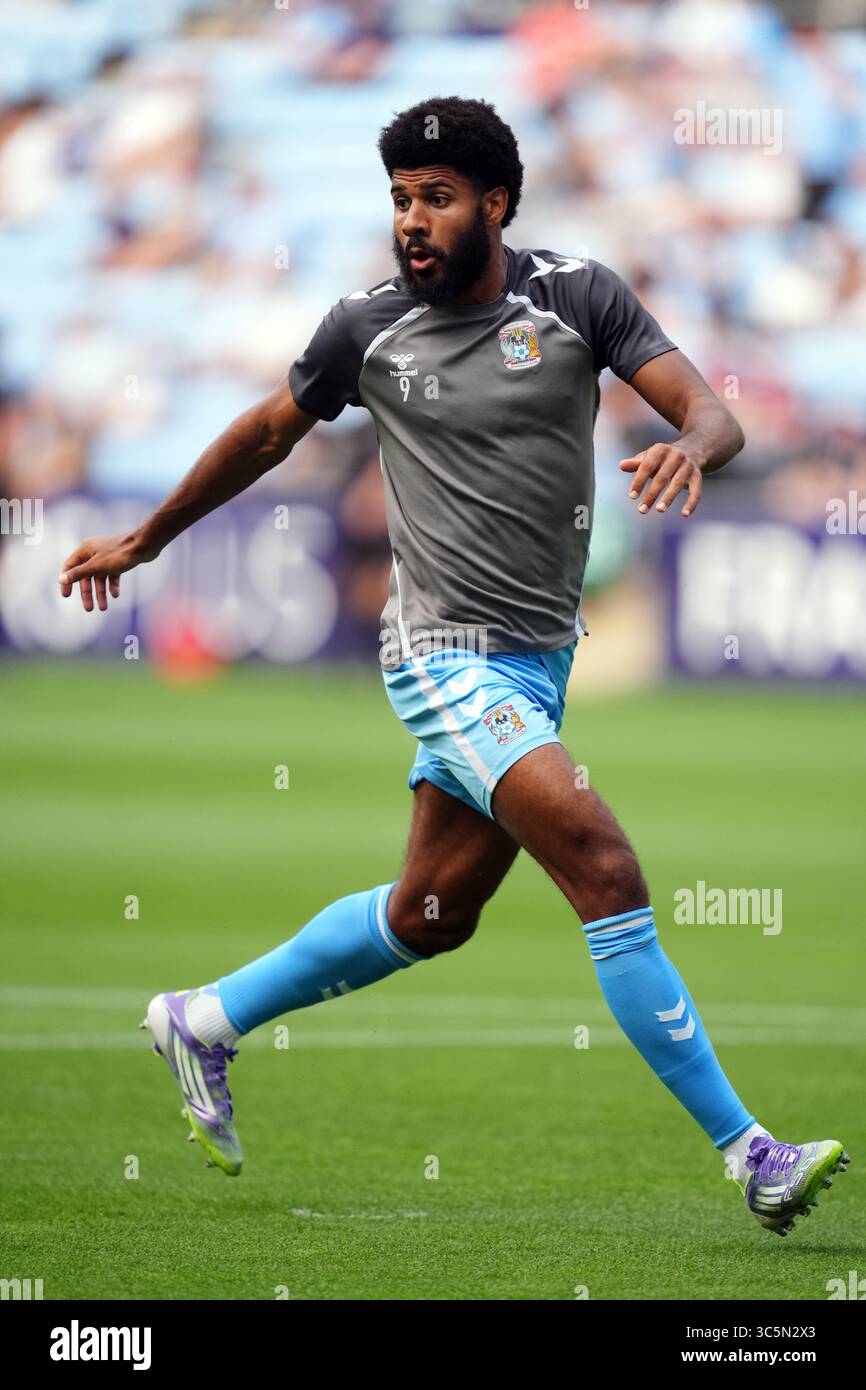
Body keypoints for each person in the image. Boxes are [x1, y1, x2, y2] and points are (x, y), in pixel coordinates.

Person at [60, 96, 847, 1234]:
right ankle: (751, 1154)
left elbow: (710, 414)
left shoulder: (577, 295)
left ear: (495, 203)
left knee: (429, 912)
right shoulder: (364, 329)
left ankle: (205, 1018)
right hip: (442, 658)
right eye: (398, 199)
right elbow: (263, 432)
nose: (411, 220)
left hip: (535, 667)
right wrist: (148, 536)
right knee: (605, 867)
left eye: (434, 197)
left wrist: (688, 444)